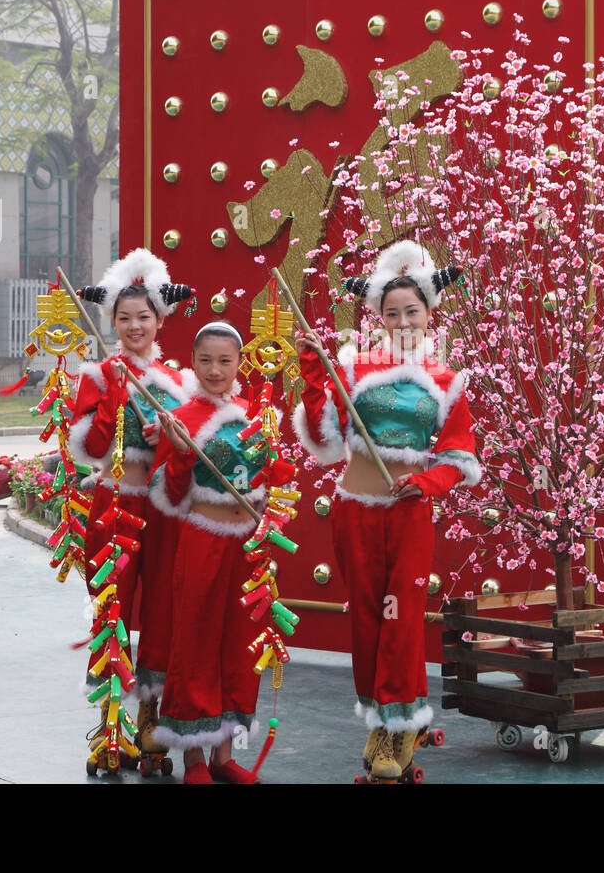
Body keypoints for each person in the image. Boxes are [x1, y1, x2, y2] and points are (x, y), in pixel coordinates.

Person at [293, 239, 480, 781]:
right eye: (391, 312)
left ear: (430, 313)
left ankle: (394, 729)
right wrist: (312, 375)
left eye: (412, 311)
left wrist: (426, 482)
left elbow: (459, 454)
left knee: (400, 619)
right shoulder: (352, 369)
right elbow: (327, 436)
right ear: (378, 315)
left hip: (408, 515)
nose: (402, 321)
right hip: (356, 510)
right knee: (369, 620)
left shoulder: (446, 382)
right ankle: (386, 718)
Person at [66, 248, 192, 767]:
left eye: (144, 316)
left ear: (161, 320)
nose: (135, 325)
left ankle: (150, 718)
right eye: (124, 317)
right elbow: (88, 451)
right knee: (111, 608)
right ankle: (107, 722)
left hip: (161, 510)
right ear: (112, 321)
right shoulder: (97, 375)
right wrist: (114, 407)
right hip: (112, 503)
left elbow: (188, 454)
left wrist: (164, 435)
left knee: (161, 609)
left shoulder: (178, 384)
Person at [149, 320, 266, 784]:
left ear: (239, 363)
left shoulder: (254, 411)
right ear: (192, 363)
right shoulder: (180, 417)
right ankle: (193, 760)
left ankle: (223, 756)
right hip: (201, 543)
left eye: (225, 360)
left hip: (248, 548)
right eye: (205, 360)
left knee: (238, 647)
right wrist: (178, 453)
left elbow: (267, 479)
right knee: (195, 644)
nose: (215, 370)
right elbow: (172, 496)